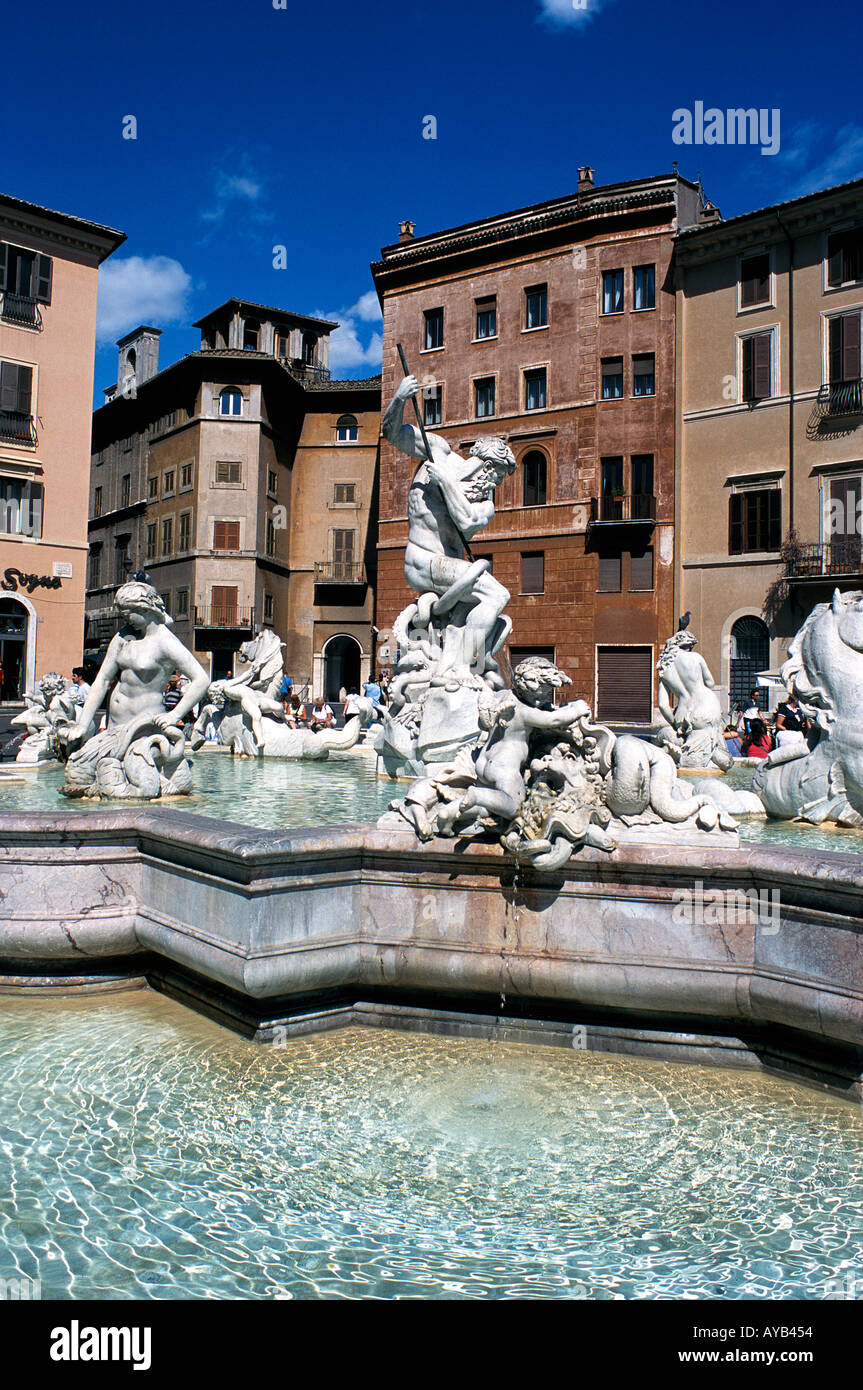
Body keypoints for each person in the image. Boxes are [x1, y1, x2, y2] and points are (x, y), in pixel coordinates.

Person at [383, 374, 517, 672]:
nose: (495, 484)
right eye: (498, 476)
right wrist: (400, 399)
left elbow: (466, 522)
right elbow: (393, 434)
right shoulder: (439, 452)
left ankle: (470, 665)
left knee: (489, 607)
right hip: (424, 560)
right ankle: (457, 670)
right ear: (487, 466)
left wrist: (445, 484)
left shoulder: (484, 505)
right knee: (498, 594)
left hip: (453, 571)